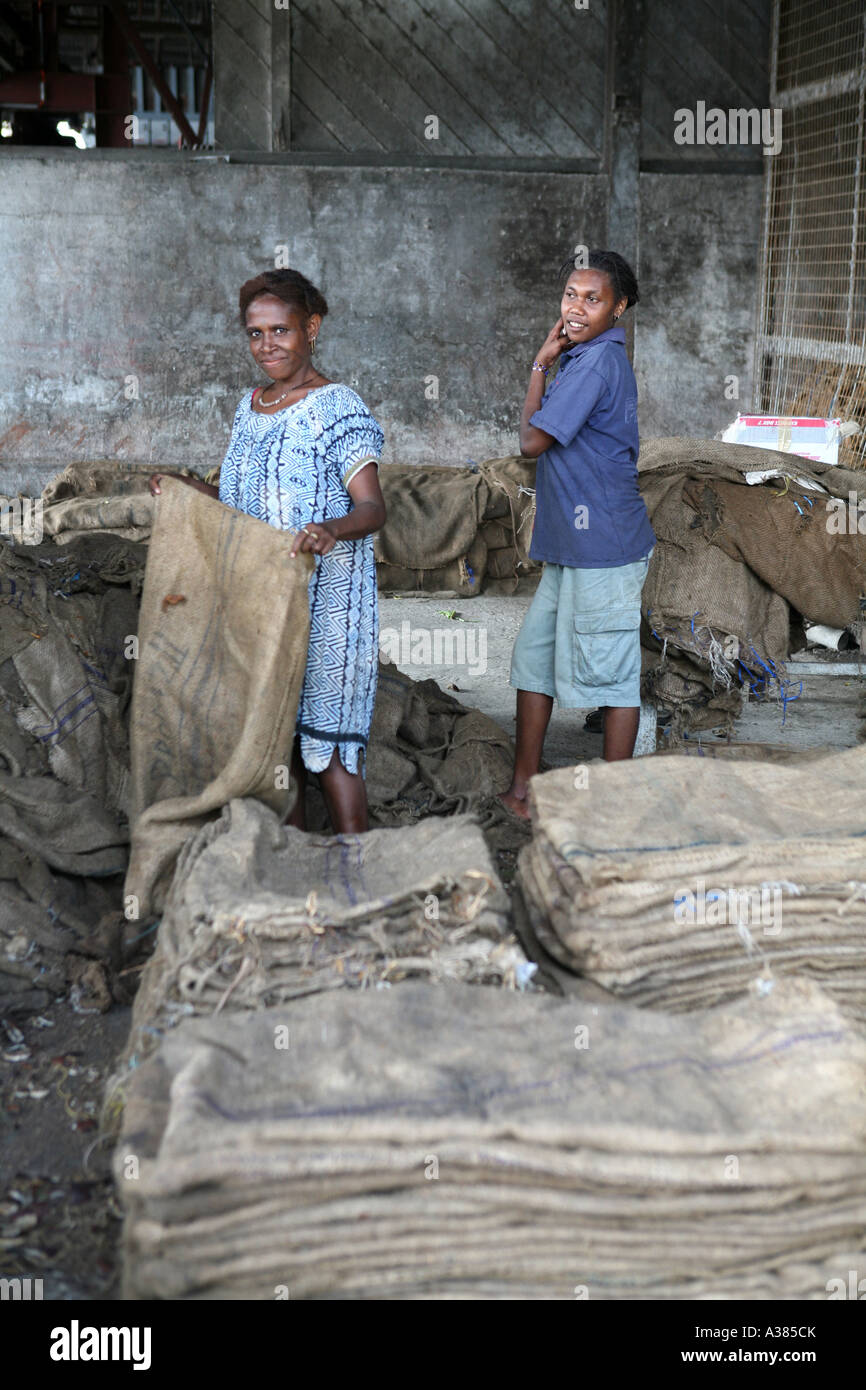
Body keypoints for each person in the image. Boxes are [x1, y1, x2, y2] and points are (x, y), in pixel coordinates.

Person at [149, 268, 386, 834]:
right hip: (261, 602)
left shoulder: (338, 407)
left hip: (328, 604)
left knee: (328, 744)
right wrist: (185, 490)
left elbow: (373, 508)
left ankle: (362, 867)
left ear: (312, 328)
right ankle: (297, 869)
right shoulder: (249, 407)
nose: (267, 345)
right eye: (255, 334)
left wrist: (332, 529)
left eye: (281, 331)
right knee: (277, 743)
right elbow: (236, 501)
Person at [499, 249, 655, 820]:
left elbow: (532, 442)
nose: (576, 307)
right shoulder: (583, 357)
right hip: (573, 545)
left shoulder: (593, 363)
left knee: (611, 675)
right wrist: (547, 364)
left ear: (620, 308)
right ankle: (523, 789)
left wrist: (538, 367)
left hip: (605, 548)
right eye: (571, 295)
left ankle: (609, 807)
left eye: (593, 299)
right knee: (533, 662)